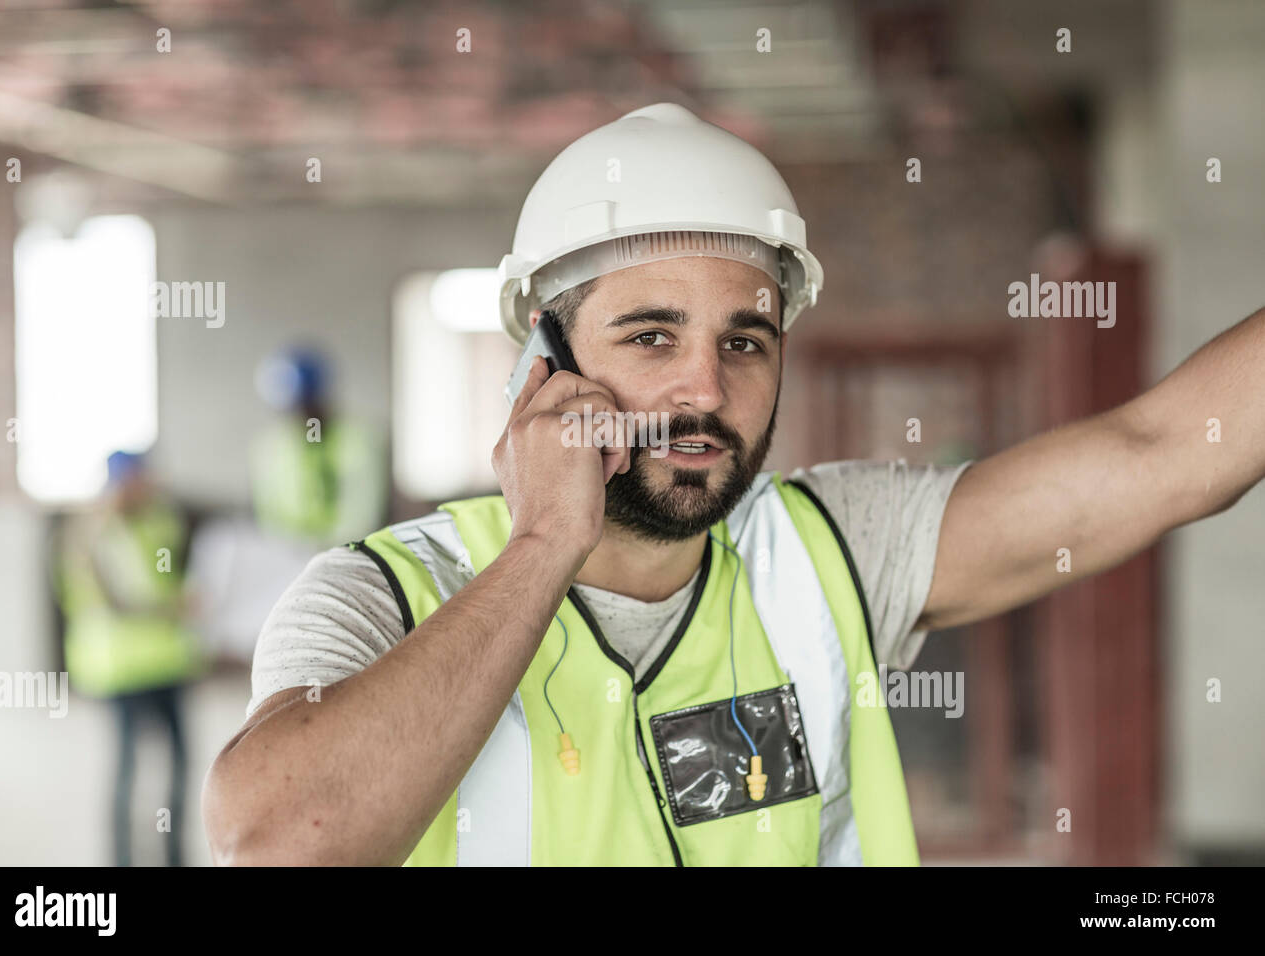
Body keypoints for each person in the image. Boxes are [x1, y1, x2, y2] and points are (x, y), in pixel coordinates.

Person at [204, 102, 1265, 866]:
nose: (705, 386)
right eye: (650, 333)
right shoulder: (383, 596)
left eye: (745, 340)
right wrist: (541, 547)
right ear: (544, 364)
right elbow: (286, 840)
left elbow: (1161, 453)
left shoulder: (832, 550)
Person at [57, 450, 205, 866]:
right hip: (119, 669)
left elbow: (178, 577)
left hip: (168, 662)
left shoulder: (162, 519)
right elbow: (110, 601)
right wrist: (172, 611)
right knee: (128, 770)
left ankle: (173, 856)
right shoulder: (91, 532)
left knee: (179, 764)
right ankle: (121, 860)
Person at [249, 346, 387, 548]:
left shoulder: (360, 441)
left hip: (347, 554)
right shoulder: (269, 448)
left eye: (306, 408)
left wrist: (327, 551)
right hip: (287, 558)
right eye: (292, 410)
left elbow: (361, 516)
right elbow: (269, 520)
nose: (300, 418)